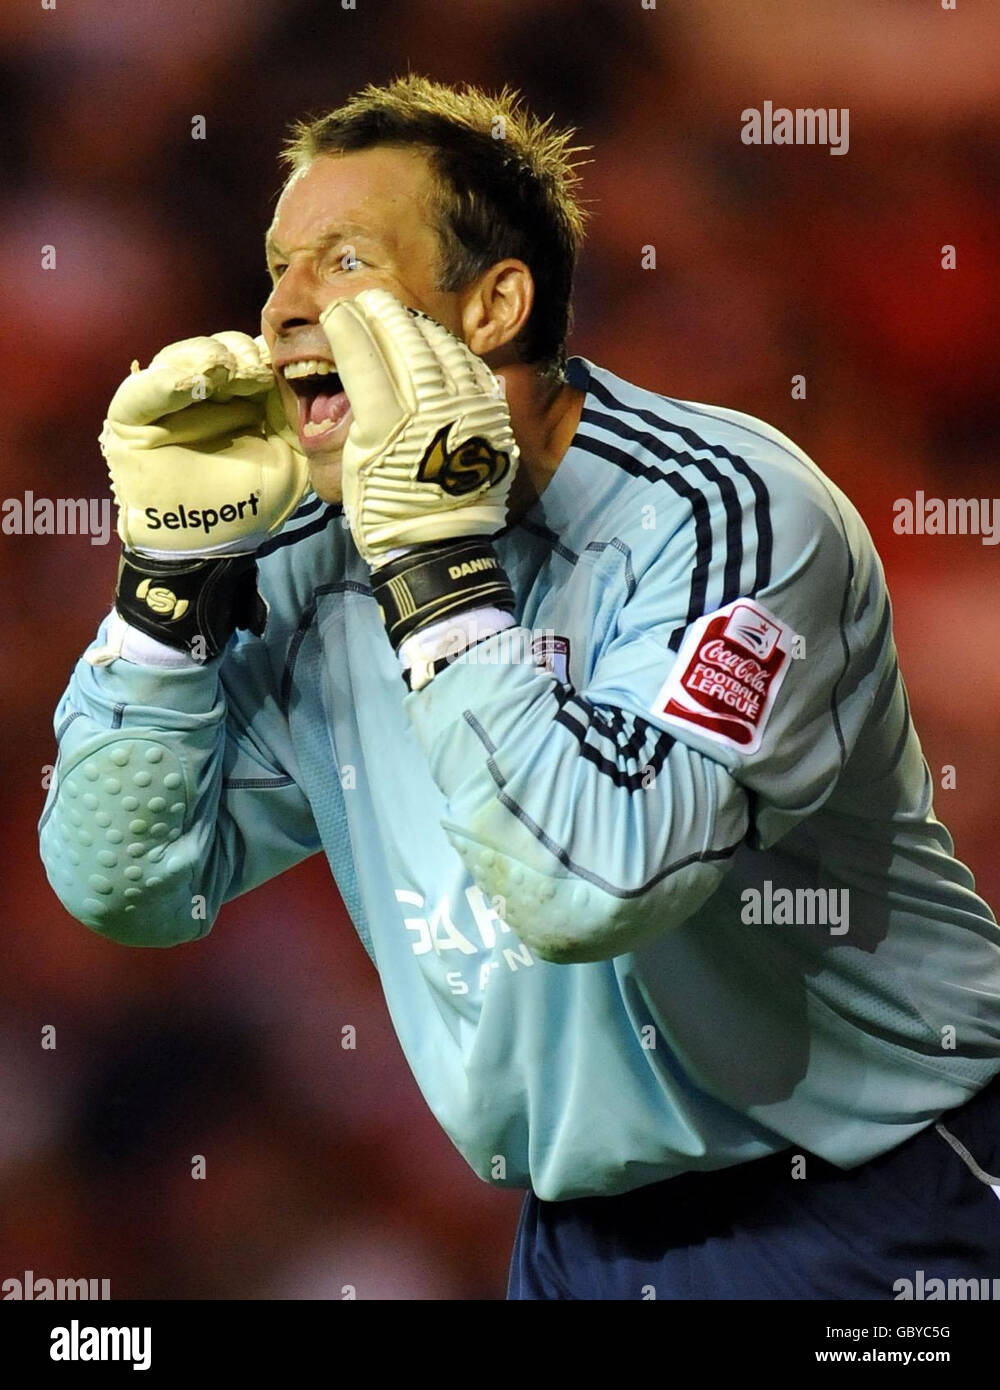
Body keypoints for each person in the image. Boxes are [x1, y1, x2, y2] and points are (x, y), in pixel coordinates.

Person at [39, 75, 1000, 1300]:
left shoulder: (729, 513)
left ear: (494, 303)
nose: (281, 313)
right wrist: (165, 597)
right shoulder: (316, 548)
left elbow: (597, 882)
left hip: (876, 1207)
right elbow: (127, 887)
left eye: (339, 262)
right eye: (275, 269)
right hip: (572, 1242)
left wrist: (435, 573)